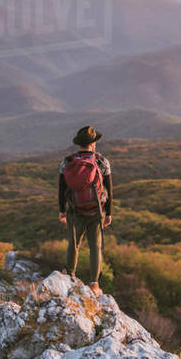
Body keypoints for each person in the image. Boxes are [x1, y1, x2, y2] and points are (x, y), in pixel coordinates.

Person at [58, 125, 112, 295]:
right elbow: (109, 189)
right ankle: (95, 284)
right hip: (95, 211)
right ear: (93, 143)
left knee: (73, 244)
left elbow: (61, 188)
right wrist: (108, 213)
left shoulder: (67, 162)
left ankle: (69, 276)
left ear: (79, 144)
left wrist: (62, 210)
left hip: (75, 210)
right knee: (95, 247)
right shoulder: (102, 162)